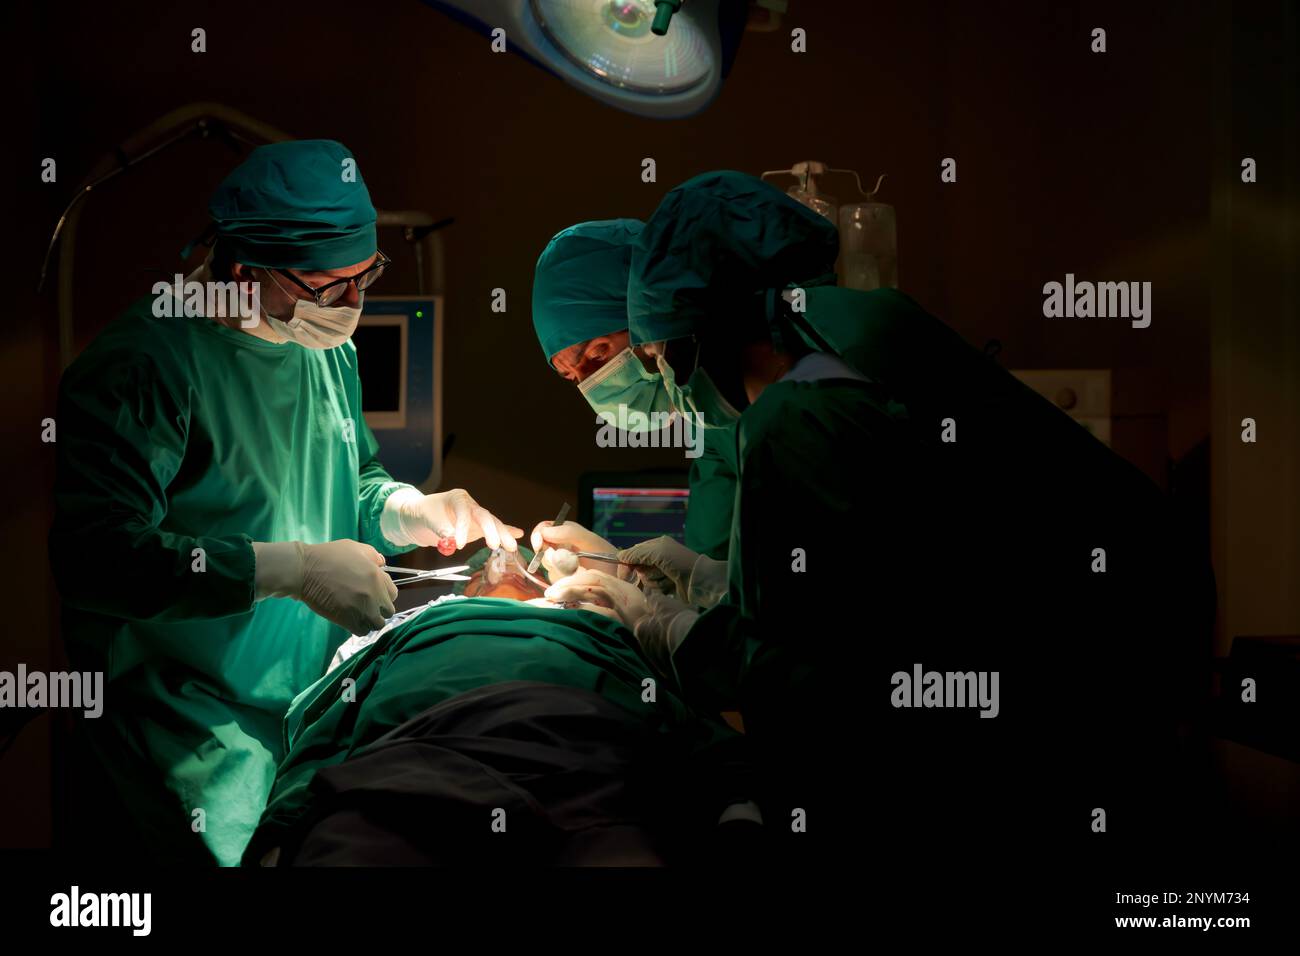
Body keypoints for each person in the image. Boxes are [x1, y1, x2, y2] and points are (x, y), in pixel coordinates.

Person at [547, 171, 1208, 864]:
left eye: (657, 352)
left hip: (1066, 740)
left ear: (704, 331)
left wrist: (660, 631)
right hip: (1114, 683)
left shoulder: (803, 418)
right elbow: (859, 592)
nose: (665, 377)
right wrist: (708, 583)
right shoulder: (848, 364)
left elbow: (824, 679)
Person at [49, 139, 522, 866]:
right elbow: (100, 560)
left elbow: (352, 478)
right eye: (332, 286)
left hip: (306, 697)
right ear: (243, 272)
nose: (354, 305)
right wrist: (292, 568)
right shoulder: (146, 366)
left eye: (367, 276)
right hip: (186, 724)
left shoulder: (324, 344)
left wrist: (408, 509)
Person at [530, 219, 737, 583]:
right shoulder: (710, 423)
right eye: (573, 377)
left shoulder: (780, 393)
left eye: (597, 354)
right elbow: (719, 579)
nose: (595, 387)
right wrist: (620, 572)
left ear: (649, 314)